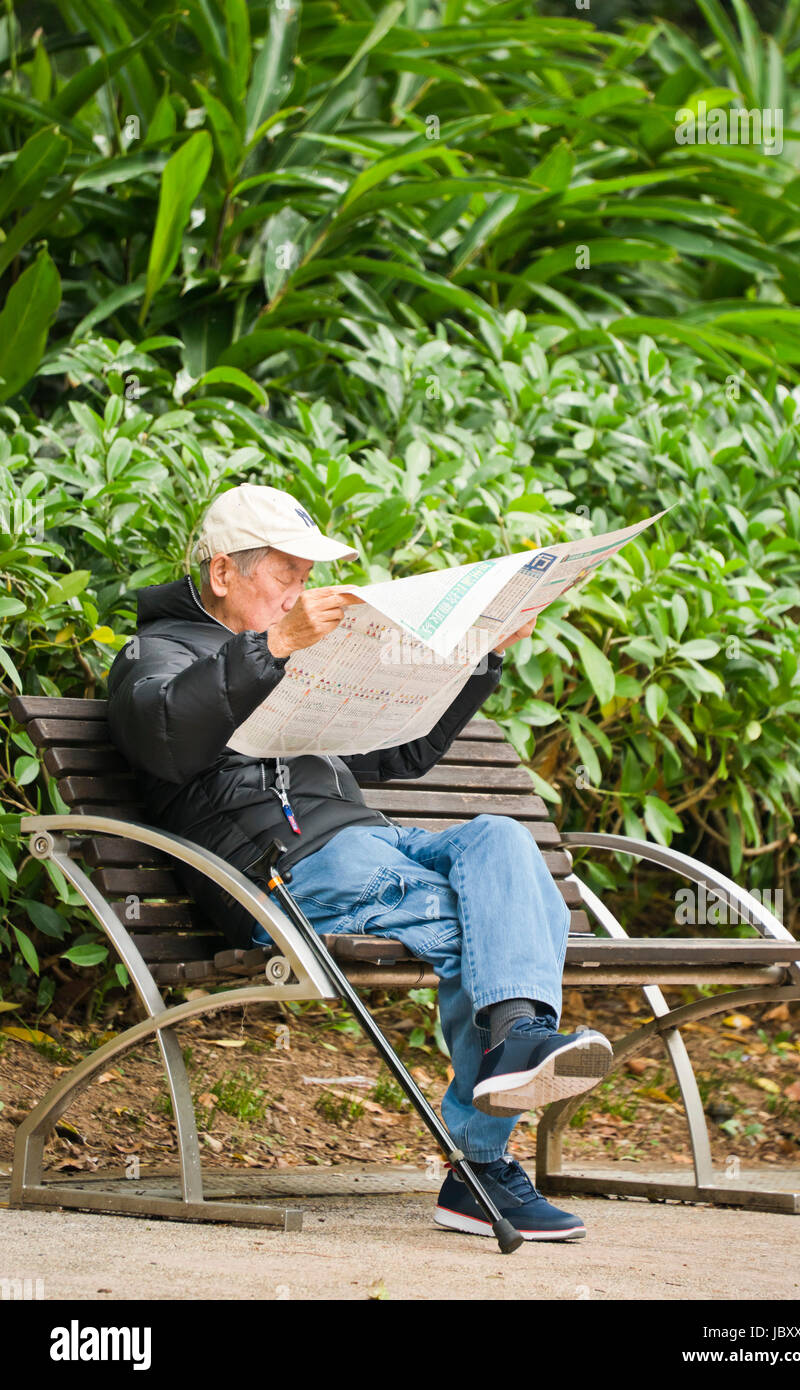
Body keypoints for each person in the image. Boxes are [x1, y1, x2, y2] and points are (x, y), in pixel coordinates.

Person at [106, 483, 613, 1241]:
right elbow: (165, 741)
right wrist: (270, 651)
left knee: (501, 840)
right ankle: (482, 1159)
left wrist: (476, 654)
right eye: (285, 575)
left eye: (306, 578)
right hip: (285, 873)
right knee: (491, 925)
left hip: (371, 842)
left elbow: (401, 751)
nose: (299, 595)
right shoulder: (155, 653)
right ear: (222, 573)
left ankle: (513, 1040)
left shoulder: (302, 645)